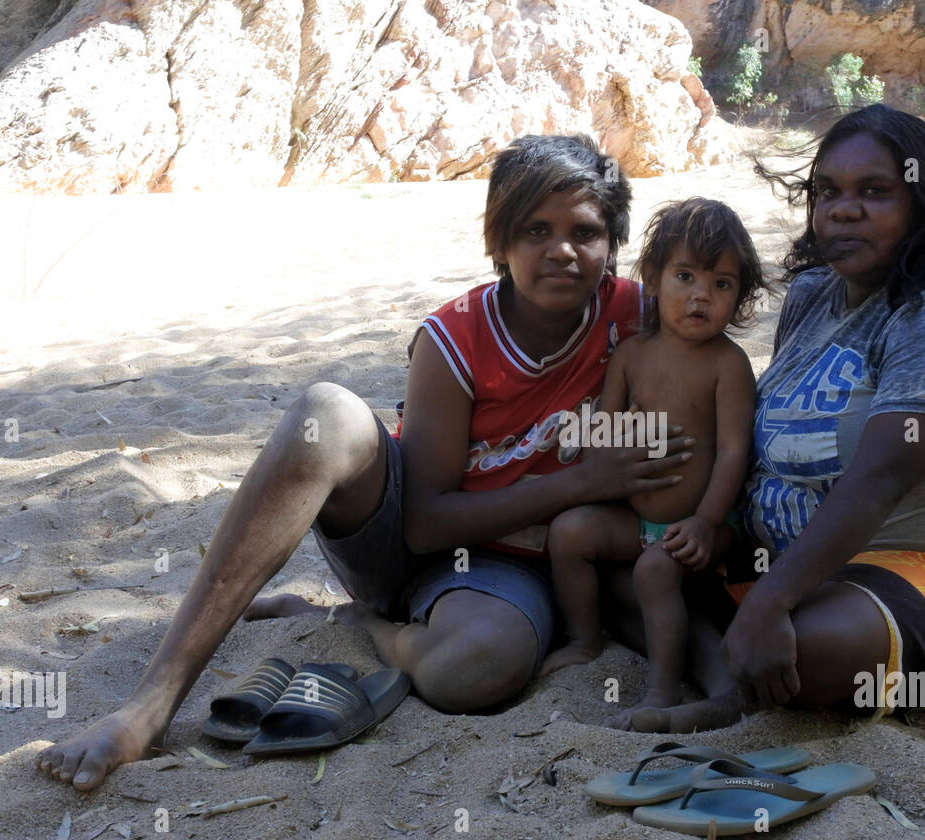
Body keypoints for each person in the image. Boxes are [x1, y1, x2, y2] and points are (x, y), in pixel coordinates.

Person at [36, 133, 696, 790]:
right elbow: (426, 523)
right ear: (498, 242)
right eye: (534, 230)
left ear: (614, 245)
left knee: (478, 669)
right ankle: (148, 706)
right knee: (327, 413)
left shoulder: (638, 318)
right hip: (410, 543)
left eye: (585, 231)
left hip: (514, 572)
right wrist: (582, 481)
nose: (561, 251)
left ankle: (362, 627)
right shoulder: (454, 338)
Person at [631, 104, 925, 734]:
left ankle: (736, 665)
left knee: (812, 650)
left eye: (875, 192)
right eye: (827, 192)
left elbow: (880, 478)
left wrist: (773, 600)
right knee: (623, 564)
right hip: (793, 562)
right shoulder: (817, 291)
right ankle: (729, 671)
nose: (843, 209)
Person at [536, 198, 763, 729]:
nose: (701, 296)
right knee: (568, 533)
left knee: (656, 569)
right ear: (654, 280)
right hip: (636, 520)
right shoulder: (632, 355)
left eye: (722, 284)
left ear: (739, 298)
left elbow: (734, 451)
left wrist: (708, 522)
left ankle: (661, 693)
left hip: (705, 526)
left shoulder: (729, 365)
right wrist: (615, 438)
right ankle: (585, 640)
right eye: (685, 276)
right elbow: (600, 439)